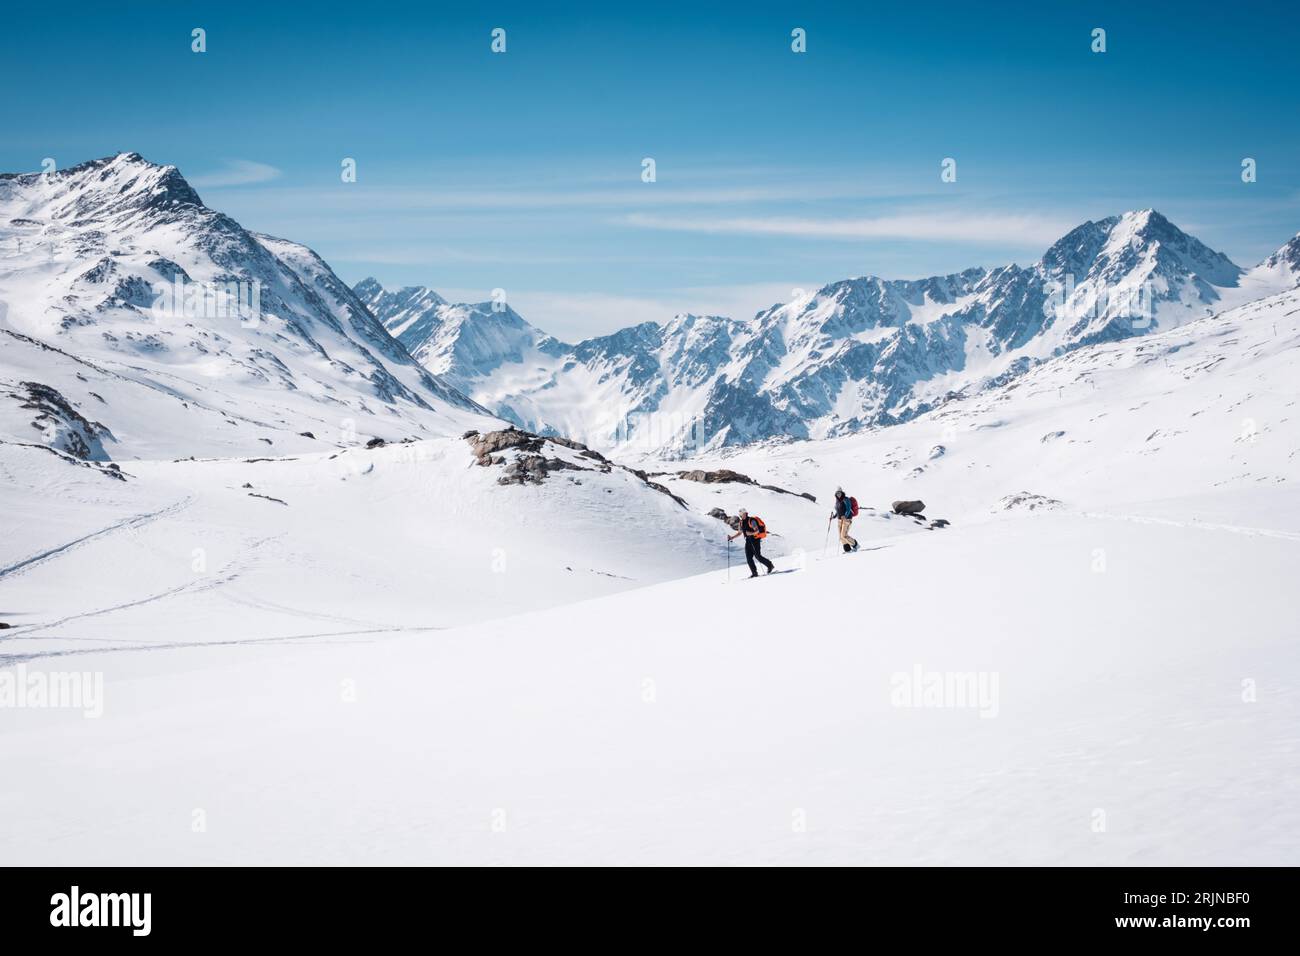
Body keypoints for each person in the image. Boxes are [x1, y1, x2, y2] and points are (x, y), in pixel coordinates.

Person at [728, 508, 775, 577]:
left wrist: (750, 533)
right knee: (749, 558)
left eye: (743, 513)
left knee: (758, 556)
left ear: (745, 513)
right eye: (741, 514)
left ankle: (770, 565)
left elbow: (757, 531)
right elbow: (740, 532)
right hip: (748, 541)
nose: (742, 515)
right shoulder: (741, 522)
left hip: (755, 540)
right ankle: (754, 573)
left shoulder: (751, 520)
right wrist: (732, 537)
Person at [831, 487, 859, 553]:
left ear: (842, 492)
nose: (838, 494)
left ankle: (855, 545)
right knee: (841, 537)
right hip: (840, 520)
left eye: (839, 493)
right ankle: (848, 550)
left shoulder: (846, 499)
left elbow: (848, 509)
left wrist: (845, 516)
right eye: (837, 493)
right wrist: (834, 517)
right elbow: (838, 511)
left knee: (844, 535)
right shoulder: (837, 501)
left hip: (847, 520)